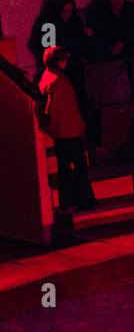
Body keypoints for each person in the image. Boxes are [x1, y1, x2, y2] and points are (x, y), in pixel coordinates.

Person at [38, 47, 95, 212]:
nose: (66, 62)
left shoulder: (47, 76)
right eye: (64, 59)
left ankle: (69, 201)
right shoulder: (58, 81)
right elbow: (52, 108)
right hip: (68, 129)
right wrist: (52, 124)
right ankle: (84, 200)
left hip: (62, 130)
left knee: (65, 166)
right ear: (59, 61)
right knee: (79, 165)